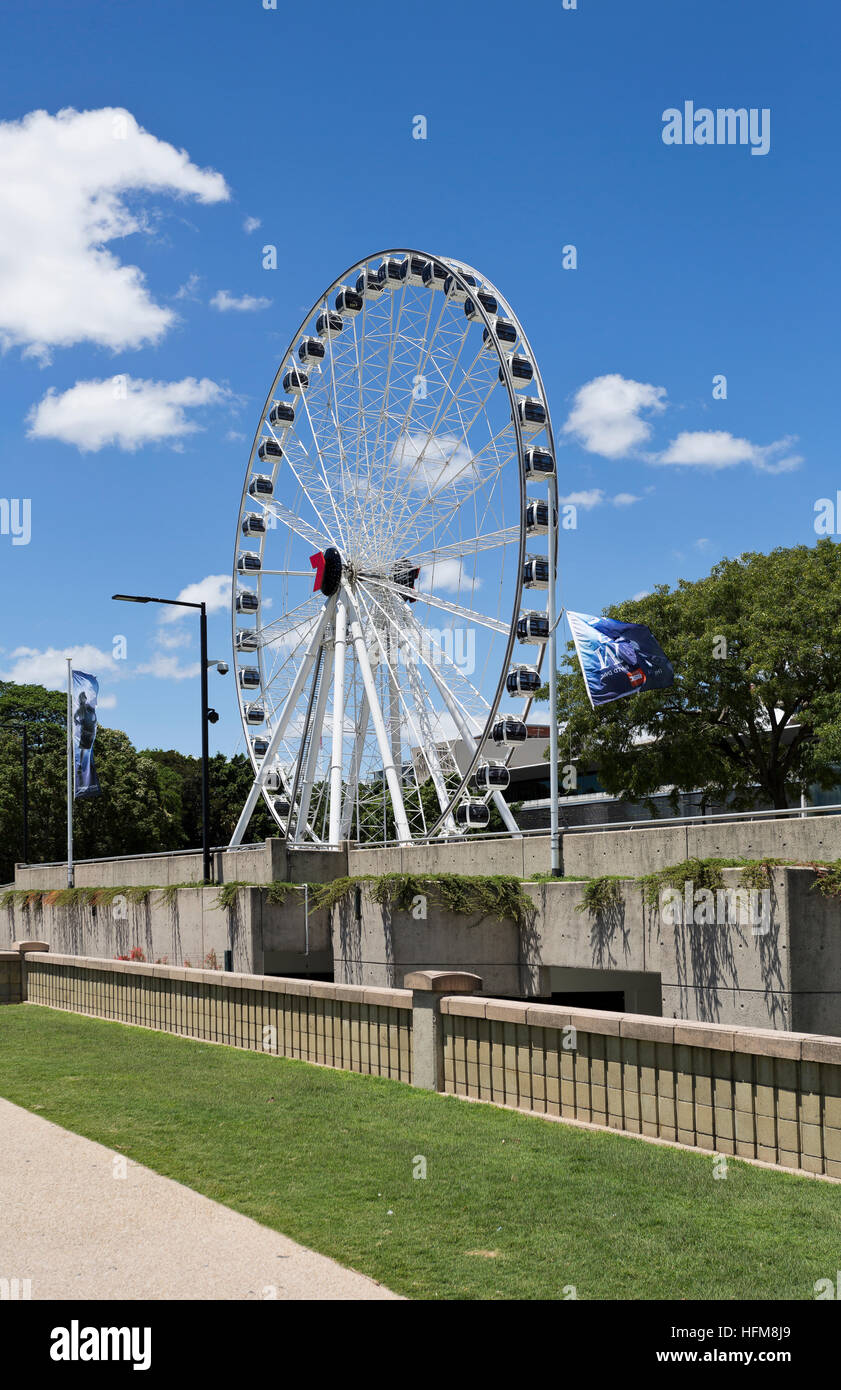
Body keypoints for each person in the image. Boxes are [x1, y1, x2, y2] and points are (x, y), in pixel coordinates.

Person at [74, 690, 97, 790]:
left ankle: (87, 765)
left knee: (88, 749)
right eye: (81, 698)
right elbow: (75, 716)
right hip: (85, 731)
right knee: (83, 749)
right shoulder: (80, 709)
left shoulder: (88, 708)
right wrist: (77, 722)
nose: (82, 700)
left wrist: (93, 722)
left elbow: (94, 714)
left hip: (89, 731)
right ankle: (80, 766)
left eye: (83, 698)